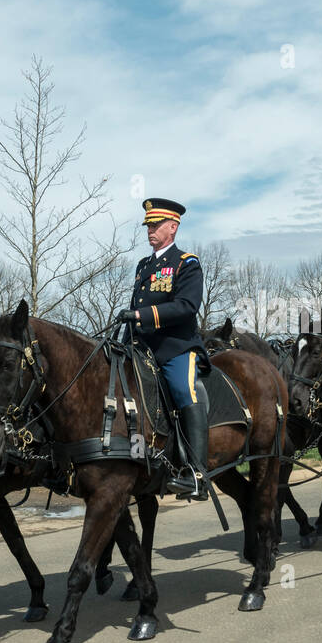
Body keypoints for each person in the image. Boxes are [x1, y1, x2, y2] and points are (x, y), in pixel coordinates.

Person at [117, 199, 210, 499]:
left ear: (173, 227)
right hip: (141, 347)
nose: (150, 230)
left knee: (185, 390)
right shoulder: (144, 266)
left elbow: (186, 307)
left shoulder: (186, 263)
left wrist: (142, 316)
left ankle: (197, 474)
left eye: (156, 225)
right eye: (148, 225)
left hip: (176, 347)